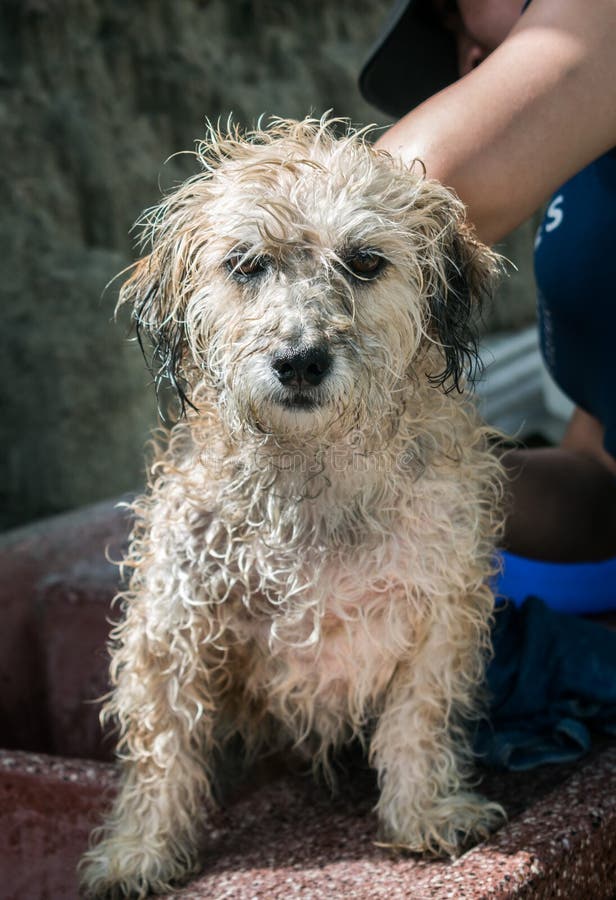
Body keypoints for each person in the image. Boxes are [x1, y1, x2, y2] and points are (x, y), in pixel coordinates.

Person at [359, 0, 616, 609]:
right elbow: (601, 471)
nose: (468, 56)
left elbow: (384, 210)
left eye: (456, 10)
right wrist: (428, 481)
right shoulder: (587, 184)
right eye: (452, 42)